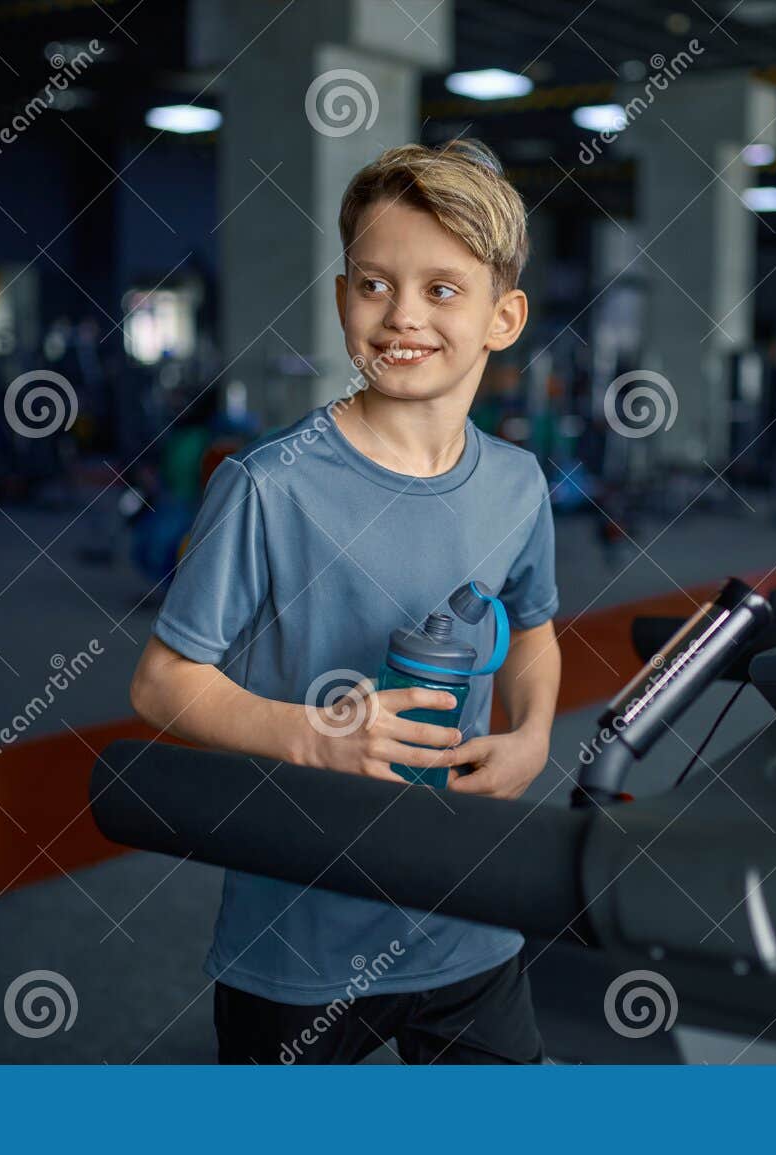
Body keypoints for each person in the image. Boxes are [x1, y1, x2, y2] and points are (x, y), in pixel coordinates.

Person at [128, 139, 561, 1064]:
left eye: (442, 289)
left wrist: (532, 735)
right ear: (341, 299)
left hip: (465, 915)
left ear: (504, 316)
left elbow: (534, 632)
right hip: (300, 935)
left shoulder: (519, 485)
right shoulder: (266, 485)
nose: (402, 314)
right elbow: (163, 684)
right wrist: (313, 736)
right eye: (374, 284)